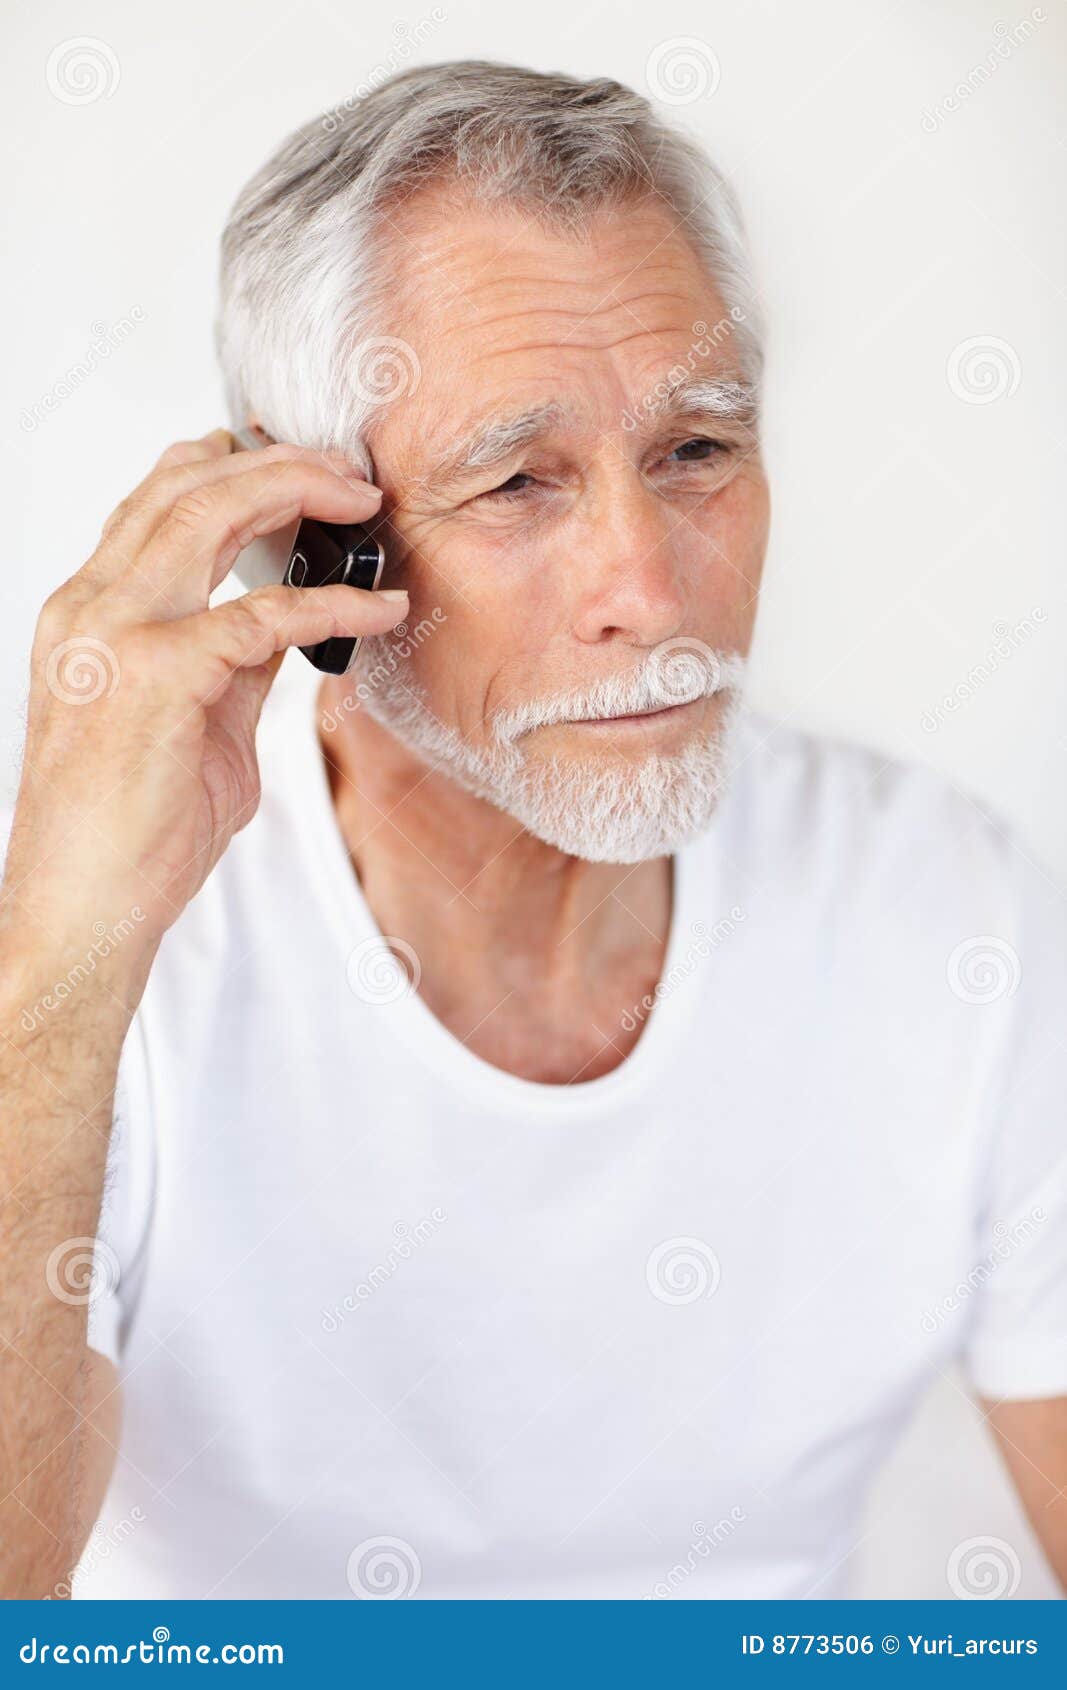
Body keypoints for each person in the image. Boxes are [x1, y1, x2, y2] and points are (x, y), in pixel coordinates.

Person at [1, 60, 1064, 1602]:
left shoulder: (959, 918)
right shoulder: (106, 974)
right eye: (516, 481)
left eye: (697, 451)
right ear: (312, 538)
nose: (652, 587)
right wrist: (60, 955)